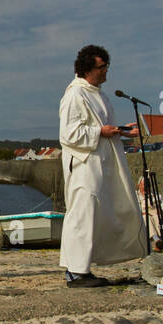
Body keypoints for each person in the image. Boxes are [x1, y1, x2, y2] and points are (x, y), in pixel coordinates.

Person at [58, 45, 146, 287]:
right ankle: (75, 272)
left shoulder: (98, 93)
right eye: (102, 67)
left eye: (107, 66)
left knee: (94, 216)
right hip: (84, 166)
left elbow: (102, 129)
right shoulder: (75, 95)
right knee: (82, 215)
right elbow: (69, 134)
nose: (106, 71)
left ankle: (83, 267)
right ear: (88, 69)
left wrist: (121, 131)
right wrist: (102, 131)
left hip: (99, 164)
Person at [134, 176, 163, 250]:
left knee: (157, 217)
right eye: (144, 185)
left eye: (147, 185)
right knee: (147, 218)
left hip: (154, 213)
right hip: (143, 215)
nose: (145, 187)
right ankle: (156, 240)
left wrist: (160, 210)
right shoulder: (135, 196)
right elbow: (133, 208)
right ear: (139, 185)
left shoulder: (156, 195)